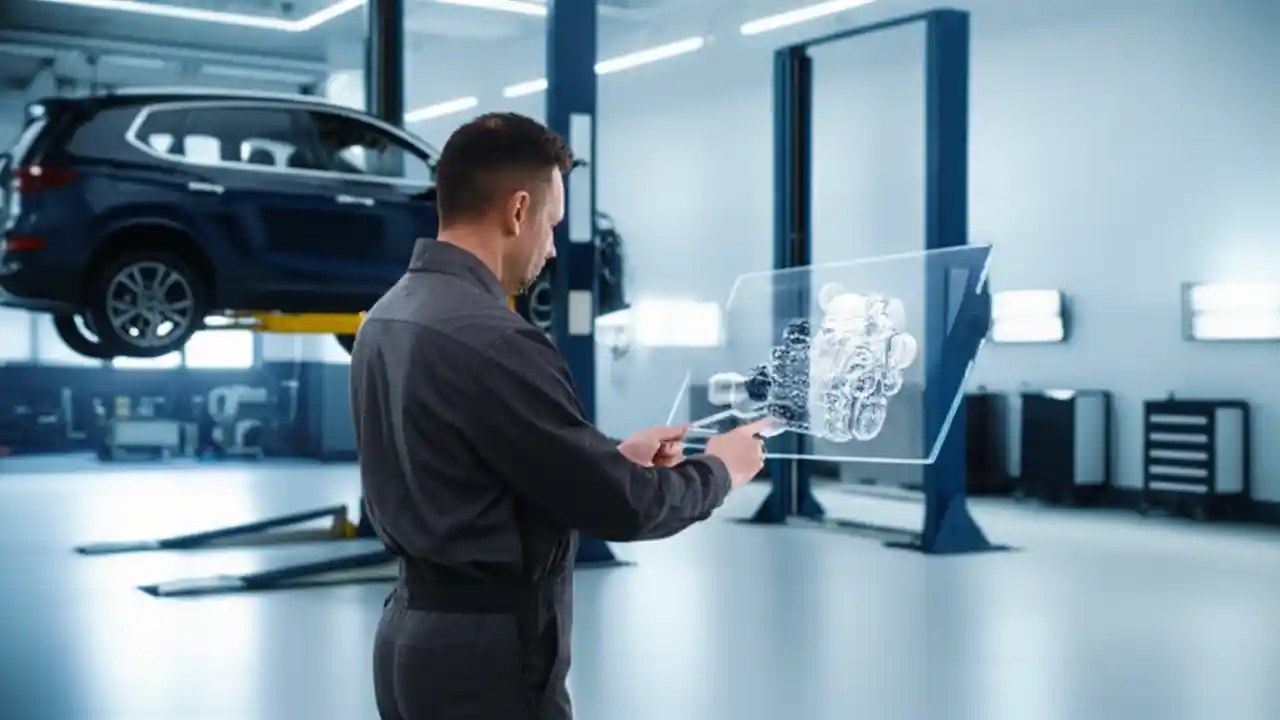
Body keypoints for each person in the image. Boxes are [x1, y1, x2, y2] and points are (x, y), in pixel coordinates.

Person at [349, 112, 769, 720]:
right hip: (487, 658)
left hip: (408, 638)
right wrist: (720, 472)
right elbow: (622, 506)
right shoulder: (498, 339)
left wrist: (609, 457)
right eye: (550, 226)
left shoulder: (385, 318)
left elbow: (469, 469)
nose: (549, 248)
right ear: (519, 211)